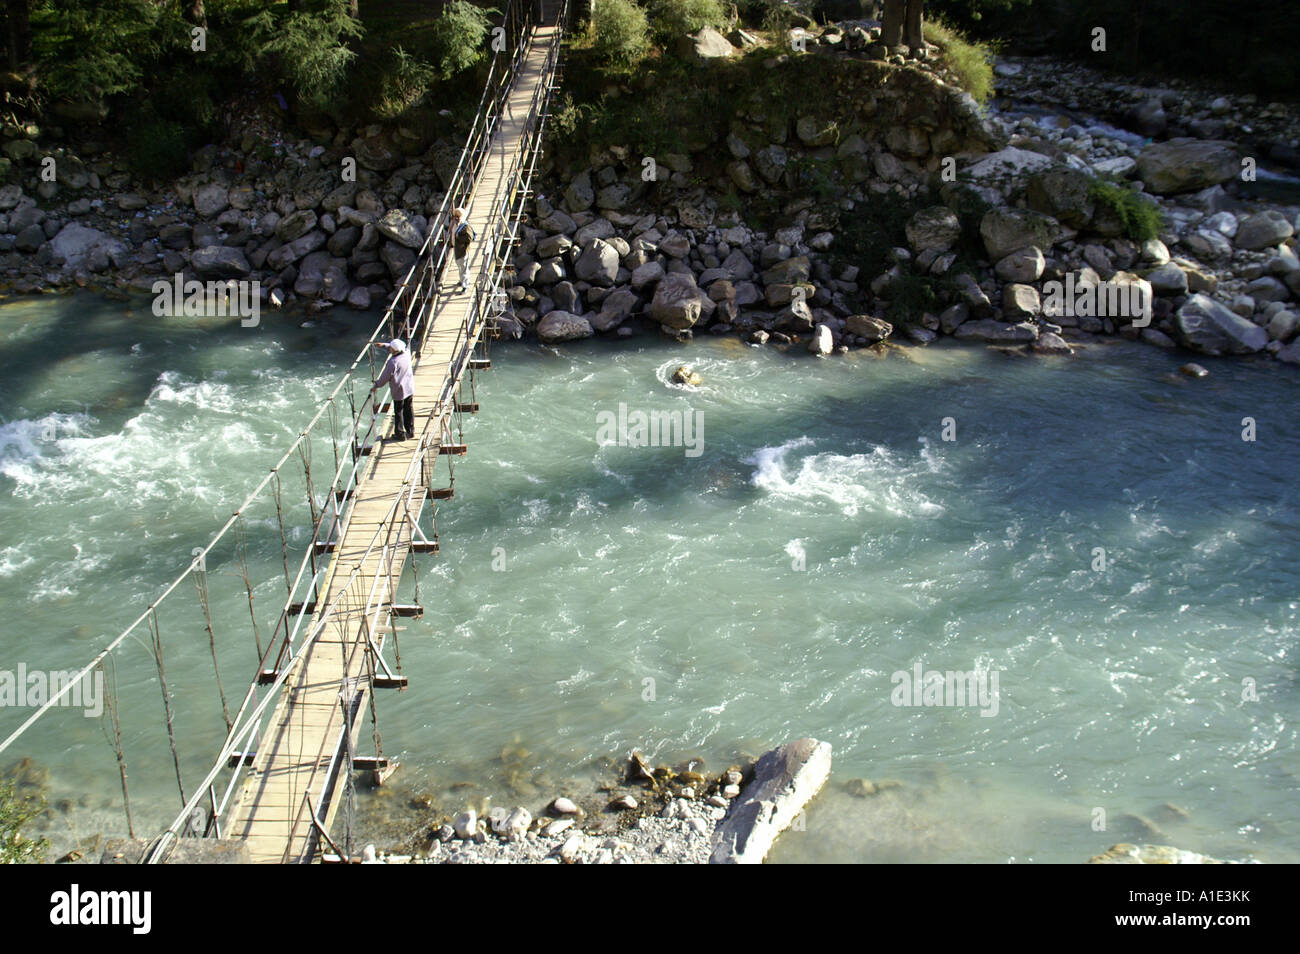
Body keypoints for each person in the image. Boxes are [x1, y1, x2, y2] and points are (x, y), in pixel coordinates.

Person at [370, 339, 414, 442]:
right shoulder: (407, 354)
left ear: (394, 350)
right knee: (408, 409)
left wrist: (376, 385)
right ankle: (410, 431)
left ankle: (400, 434)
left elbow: (385, 377)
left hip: (399, 390)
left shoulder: (393, 362)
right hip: (410, 387)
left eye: (391, 348)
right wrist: (384, 345)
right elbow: (395, 346)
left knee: (398, 411)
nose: (390, 349)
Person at [448, 206, 474, 294]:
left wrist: (458, 237)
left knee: (464, 268)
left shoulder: (465, 226)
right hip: (457, 249)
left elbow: (469, 238)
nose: (456, 218)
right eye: (455, 216)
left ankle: (465, 286)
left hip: (463, 250)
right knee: (460, 266)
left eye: (458, 217)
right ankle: (461, 280)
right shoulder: (456, 225)